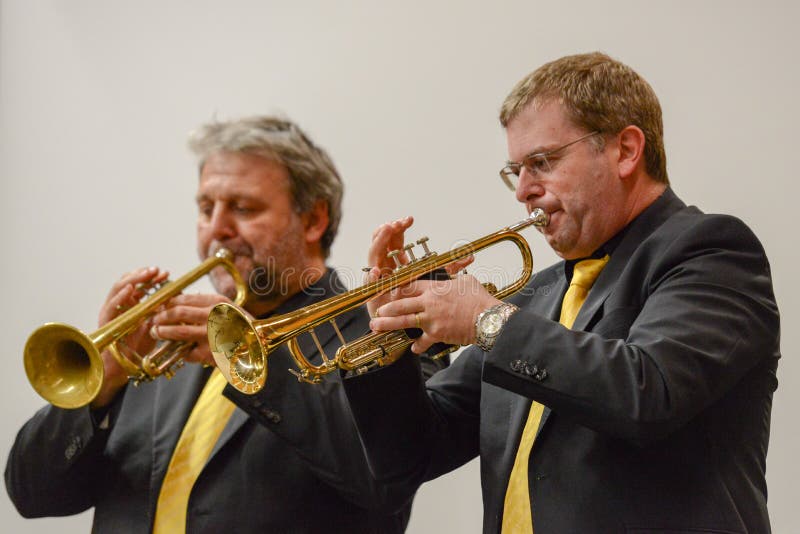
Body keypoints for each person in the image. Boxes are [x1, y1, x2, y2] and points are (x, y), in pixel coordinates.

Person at [344, 52, 780, 533]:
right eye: (516, 170)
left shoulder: (711, 252)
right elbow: (410, 458)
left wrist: (488, 322)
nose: (523, 190)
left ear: (625, 151)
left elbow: (647, 392)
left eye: (542, 162)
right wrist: (390, 342)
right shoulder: (536, 297)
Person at [6, 115, 445, 532]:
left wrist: (243, 354)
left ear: (313, 220)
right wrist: (103, 381)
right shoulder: (162, 343)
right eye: (205, 207)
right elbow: (32, 495)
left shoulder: (381, 330)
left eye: (243, 207)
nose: (216, 228)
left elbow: (387, 480)